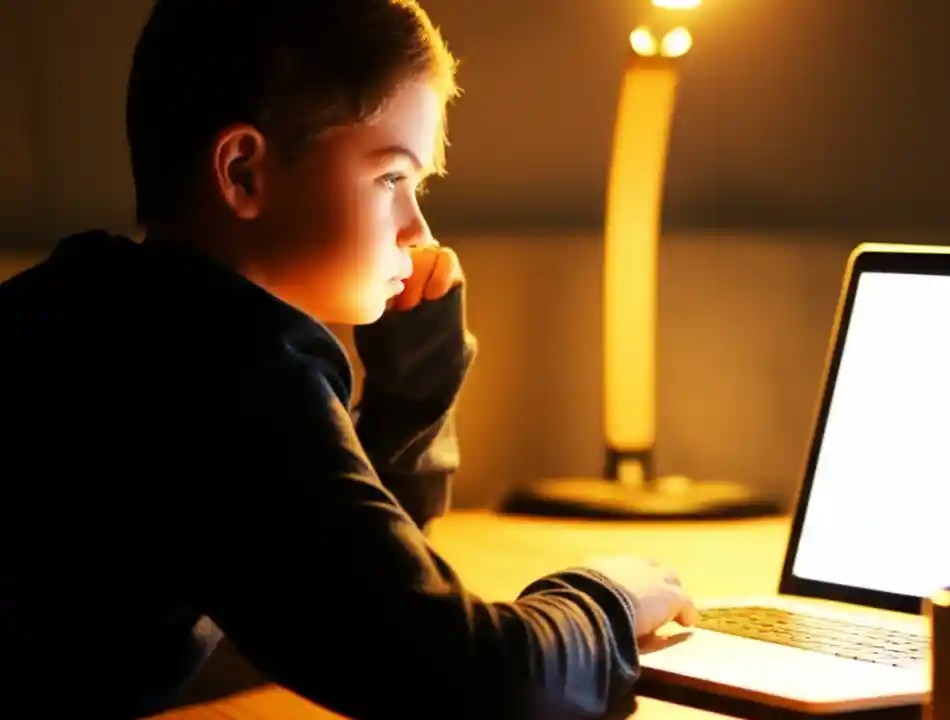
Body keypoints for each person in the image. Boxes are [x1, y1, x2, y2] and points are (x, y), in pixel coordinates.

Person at [0, 1, 697, 717]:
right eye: (392, 178)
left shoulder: (92, 307)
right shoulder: (228, 375)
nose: (417, 228)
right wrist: (605, 600)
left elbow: (339, 593)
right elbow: (470, 679)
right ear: (242, 173)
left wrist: (412, 392)